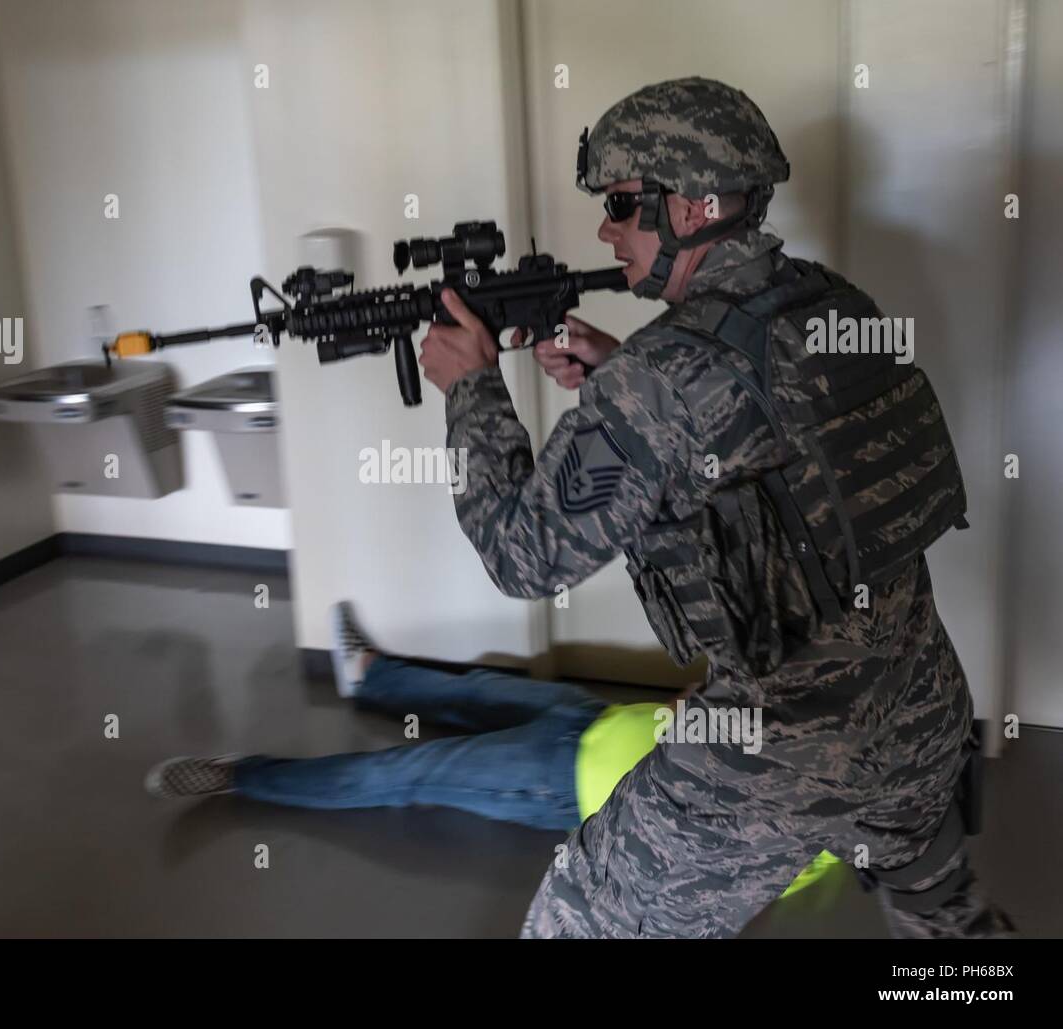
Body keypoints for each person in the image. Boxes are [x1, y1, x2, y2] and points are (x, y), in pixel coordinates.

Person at [415, 77, 1012, 938]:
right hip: (921, 709)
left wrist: (472, 389)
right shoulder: (832, 300)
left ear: (693, 208)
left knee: (574, 921)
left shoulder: (659, 378)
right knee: (947, 923)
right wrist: (622, 372)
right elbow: (776, 450)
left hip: (787, 748)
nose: (604, 228)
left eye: (622, 204)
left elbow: (522, 556)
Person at [145, 602, 841, 902]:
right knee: (481, 688)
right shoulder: (836, 743)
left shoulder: (816, 842)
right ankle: (370, 674)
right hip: (598, 719)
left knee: (410, 771)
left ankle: (242, 775)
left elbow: (705, 848)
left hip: (560, 780)